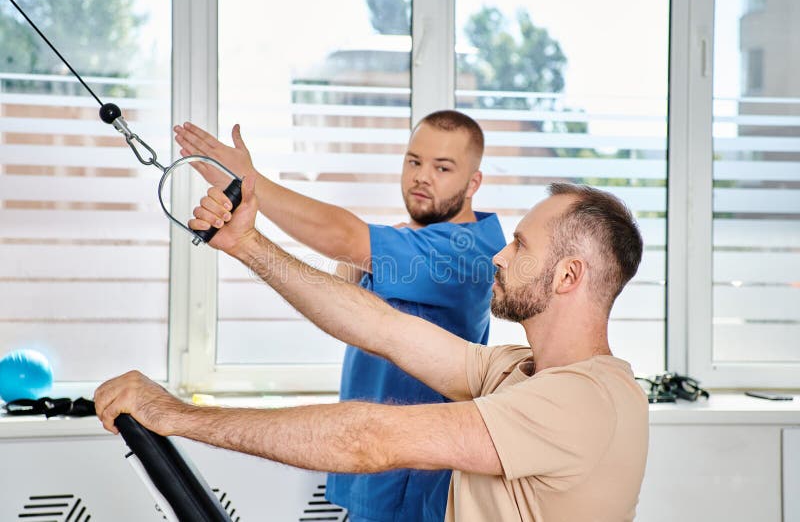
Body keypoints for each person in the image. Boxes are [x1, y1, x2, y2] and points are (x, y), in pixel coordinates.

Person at [95, 181, 650, 522]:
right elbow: (381, 326)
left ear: (568, 276)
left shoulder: (583, 401)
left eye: (521, 245)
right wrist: (247, 245)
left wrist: (174, 416)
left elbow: (372, 439)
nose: (499, 256)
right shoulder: (517, 371)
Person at [174, 110, 506, 522]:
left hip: (414, 483)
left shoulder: (465, 249)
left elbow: (341, 236)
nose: (422, 176)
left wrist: (249, 183)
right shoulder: (410, 240)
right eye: (414, 161)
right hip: (370, 468)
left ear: (473, 182)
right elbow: (341, 302)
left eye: (443, 167)